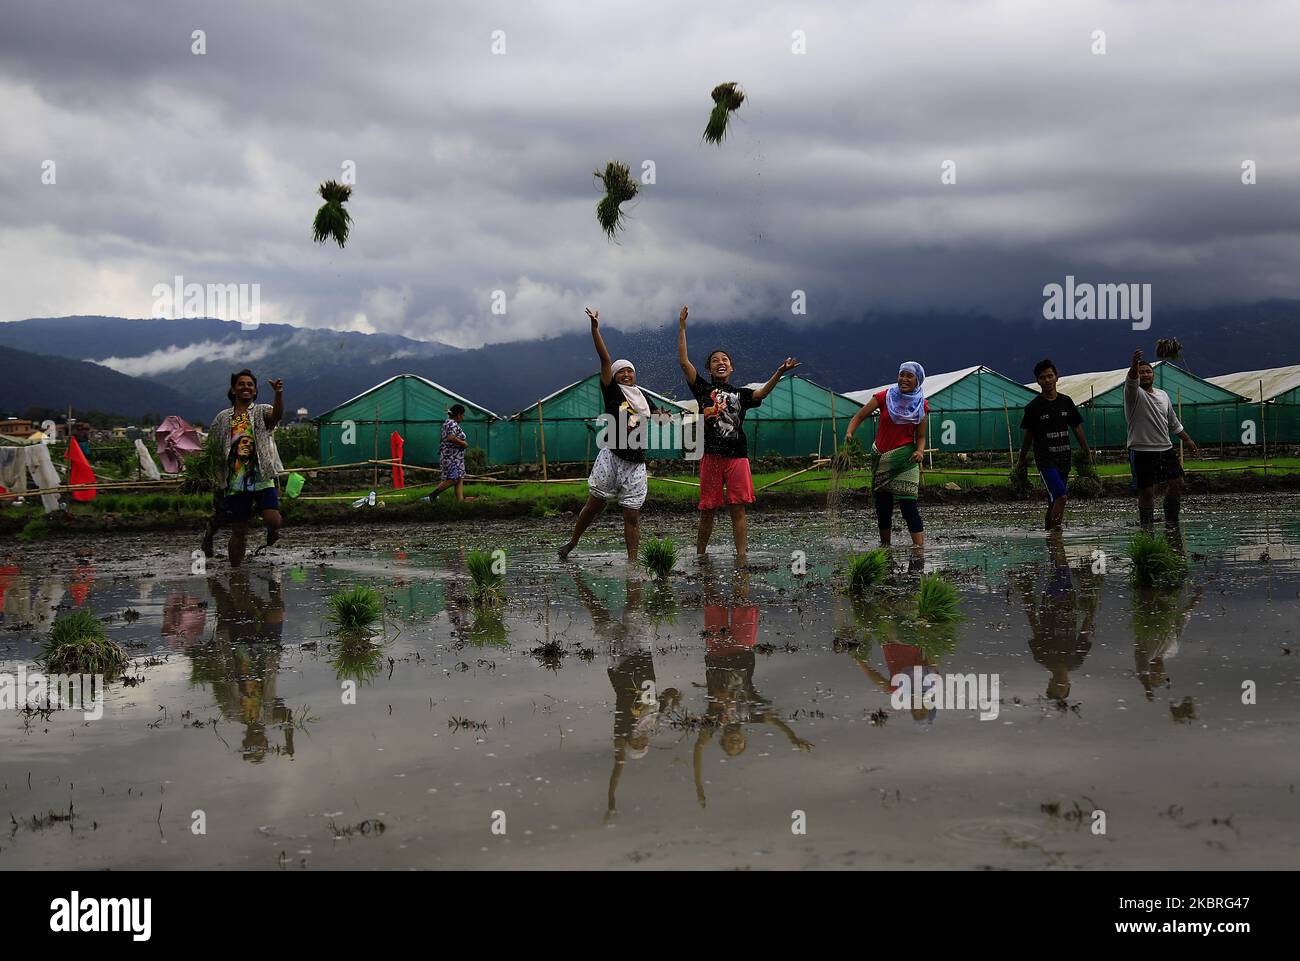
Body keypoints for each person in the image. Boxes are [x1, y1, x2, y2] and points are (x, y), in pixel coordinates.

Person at [678, 305, 798, 565]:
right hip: (710, 456)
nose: (720, 362)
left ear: (731, 368)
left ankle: (742, 556)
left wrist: (779, 372)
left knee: (738, 507)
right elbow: (684, 363)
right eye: (715, 361)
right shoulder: (702, 389)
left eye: (725, 360)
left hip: (737, 457)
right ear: (709, 370)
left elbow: (762, 393)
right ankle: (700, 555)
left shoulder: (742, 394)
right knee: (707, 508)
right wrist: (682, 327)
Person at [559, 307, 672, 562]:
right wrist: (595, 329)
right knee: (594, 506)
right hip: (611, 456)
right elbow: (605, 360)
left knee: (631, 515)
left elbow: (660, 420)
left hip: (635, 462)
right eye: (621, 371)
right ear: (614, 376)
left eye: (630, 371)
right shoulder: (612, 391)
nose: (626, 374)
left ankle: (632, 562)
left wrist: (665, 418)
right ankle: (572, 542)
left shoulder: (643, 398)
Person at [205, 370, 285, 567]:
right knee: (239, 529)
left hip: (261, 476)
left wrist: (278, 394)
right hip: (236, 481)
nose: (246, 387)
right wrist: (211, 472)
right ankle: (236, 573)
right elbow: (213, 448)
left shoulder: (260, 411)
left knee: (273, 520)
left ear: (255, 390)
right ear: (233, 389)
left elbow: (276, 415)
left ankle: (272, 531)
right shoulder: (223, 418)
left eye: (250, 384)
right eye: (241, 384)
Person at [845, 361, 929, 547]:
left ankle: (919, 550)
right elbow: (859, 416)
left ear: (918, 380)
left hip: (906, 461)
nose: (904, 379)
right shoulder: (885, 397)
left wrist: (920, 451)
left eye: (909, 376)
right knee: (883, 509)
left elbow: (921, 436)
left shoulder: (921, 406)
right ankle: (885, 548)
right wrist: (850, 432)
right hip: (881, 458)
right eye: (902, 375)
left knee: (909, 508)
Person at [1125, 349, 1199, 530]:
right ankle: (1147, 529)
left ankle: (1171, 523)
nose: (1145, 374)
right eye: (1141, 372)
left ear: (1153, 375)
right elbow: (1132, 379)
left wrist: (1188, 441)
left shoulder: (1163, 395)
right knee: (1147, 491)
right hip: (1141, 449)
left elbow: (1174, 423)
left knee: (1177, 483)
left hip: (1165, 448)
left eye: (1148, 371)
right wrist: (1135, 363)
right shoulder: (1133, 394)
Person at [1020, 358, 1091, 530]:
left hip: (1064, 458)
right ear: (1038, 381)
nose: (1047, 380)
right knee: (1061, 497)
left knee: (1053, 501)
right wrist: (1021, 460)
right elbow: (1028, 436)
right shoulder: (1034, 407)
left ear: (1057, 377)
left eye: (1050, 376)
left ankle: (1049, 538)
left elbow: (1076, 428)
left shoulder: (1066, 402)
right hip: (1045, 461)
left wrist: (1086, 451)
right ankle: (1056, 536)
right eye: (1043, 377)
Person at [429, 405, 469, 502]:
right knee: (453, 479)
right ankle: (432, 496)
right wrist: (463, 443)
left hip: (455, 457)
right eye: (463, 415)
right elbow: (450, 437)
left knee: (459, 478)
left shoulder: (449, 423)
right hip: (451, 457)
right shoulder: (452, 423)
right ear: (458, 415)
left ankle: (460, 501)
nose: (463, 417)